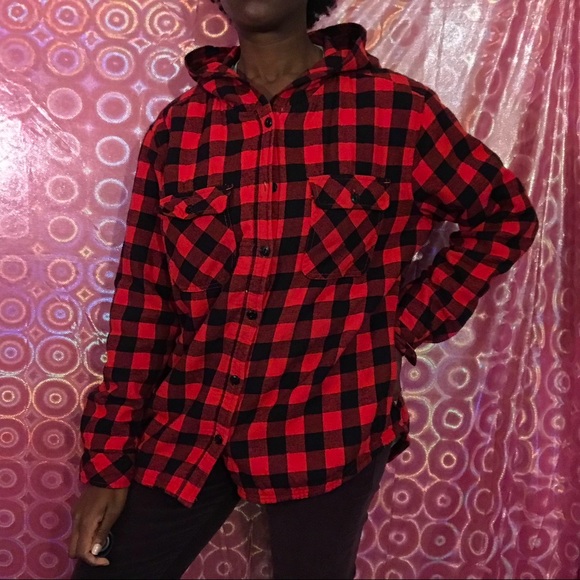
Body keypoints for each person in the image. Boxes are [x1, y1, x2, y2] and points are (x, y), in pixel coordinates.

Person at [68, 1, 539, 578]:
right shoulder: (178, 130)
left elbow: (503, 214)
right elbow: (144, 300)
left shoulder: (398, 110)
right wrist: (108, 463)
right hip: (192, 419)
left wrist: (404, 323)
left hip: (330, 422)